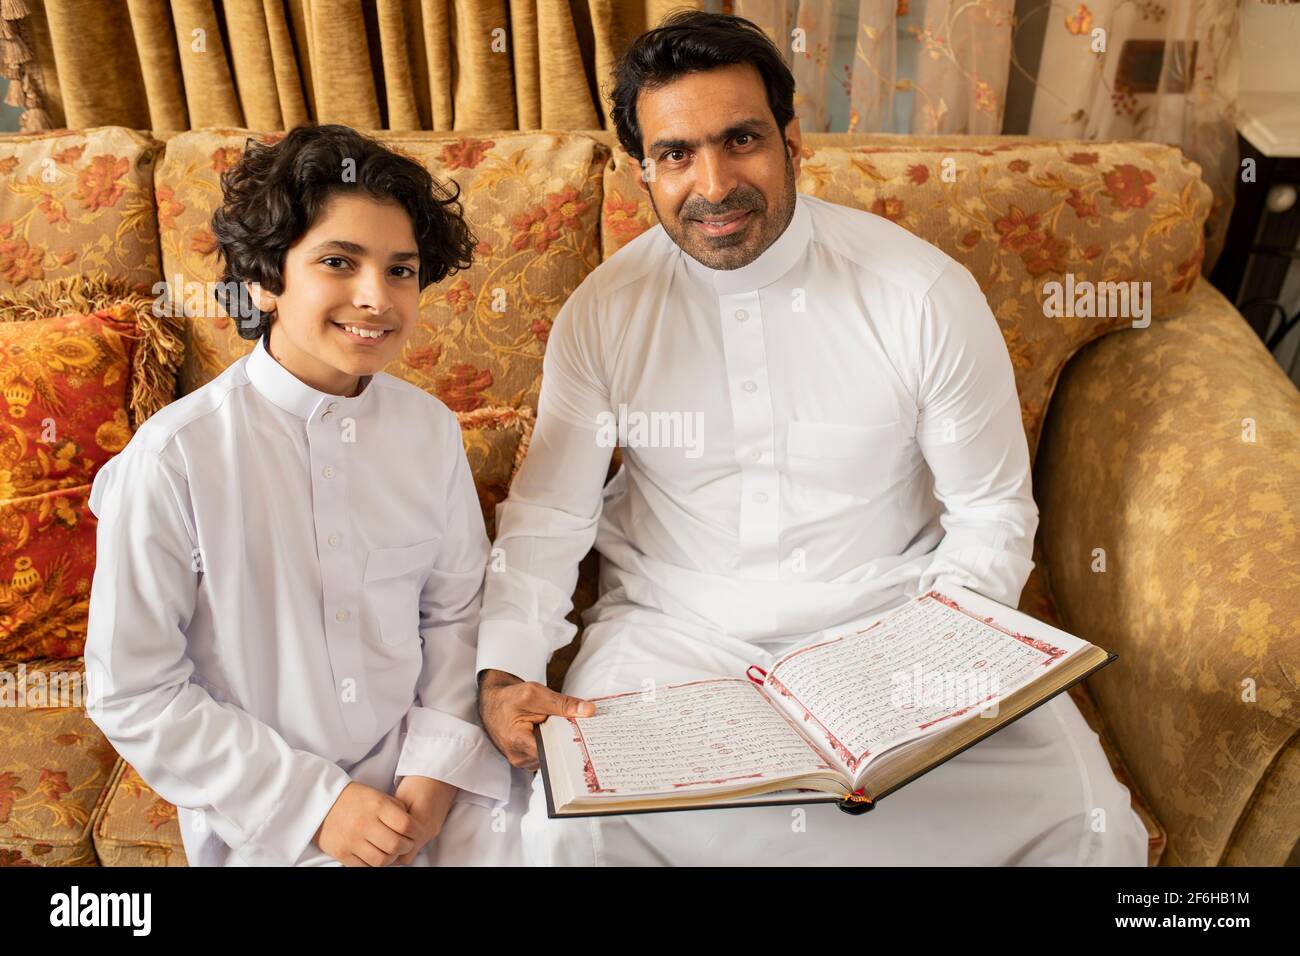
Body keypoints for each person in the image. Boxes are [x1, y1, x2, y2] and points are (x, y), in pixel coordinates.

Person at [475, 11, 1150, 866]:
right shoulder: (603, 315)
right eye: (677, 154)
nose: (713, 184)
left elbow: (989, 513)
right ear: (644, 170)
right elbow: (546, 521)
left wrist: (933, 665)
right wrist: (504, 673)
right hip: (676, 634)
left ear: (794, 141)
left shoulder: (920, 294)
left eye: (742, 139)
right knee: (567, 836)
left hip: (895, 623)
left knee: (1085, 818)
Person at [85, 124, 528, 867]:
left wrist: (437, 772)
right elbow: (134, 690)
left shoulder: (427, 430)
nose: (375, 297)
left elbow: (456, 612)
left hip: (435, 780)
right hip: (278, 819)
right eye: (337, 262)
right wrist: (317, 807)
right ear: (264, 276)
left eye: (400, 270)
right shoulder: (174, 460)